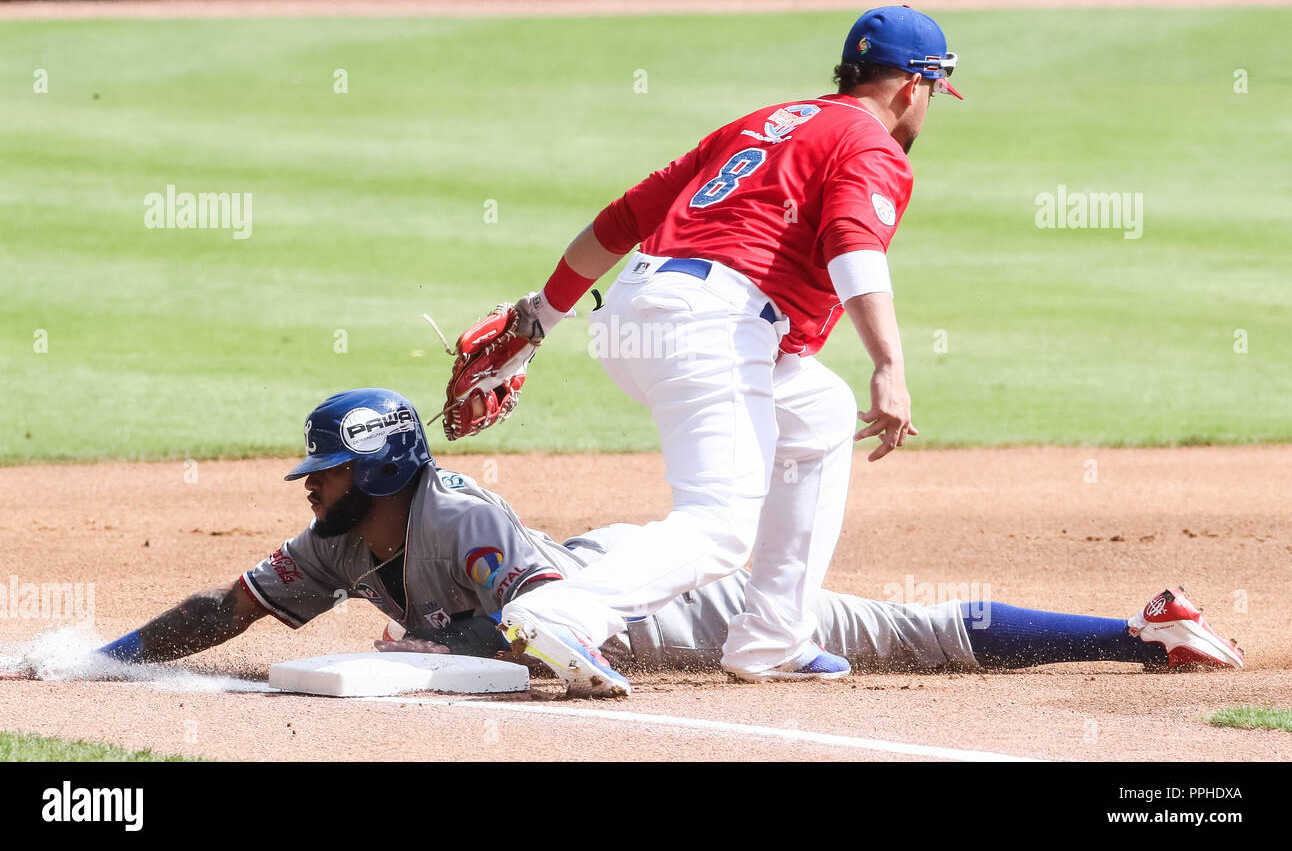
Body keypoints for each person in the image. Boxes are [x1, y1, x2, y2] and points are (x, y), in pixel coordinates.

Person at [76, 389, 1243, 691]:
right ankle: (1142, 633)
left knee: (896, 632)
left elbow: (539, 629)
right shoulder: (336, 545)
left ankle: (1143, 635)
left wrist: (424, 654)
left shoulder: (460, 514)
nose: (311, 487)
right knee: (883, 631)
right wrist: (108, 659)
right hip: (600, 567)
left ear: (375, 470)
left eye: (326, 470)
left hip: (658, 599)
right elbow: (225, 610)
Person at [493, 5, 963, 693]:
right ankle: (563, 611)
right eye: (932, 95)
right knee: (717, 525)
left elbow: (623, 219)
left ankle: (774, 636)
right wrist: (890, 364)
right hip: (715, 324)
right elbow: (852, 244)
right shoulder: (873, 146)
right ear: (911, 87)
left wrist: (542, 316)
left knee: (822, 411)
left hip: (639, 313)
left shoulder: (764, 123)